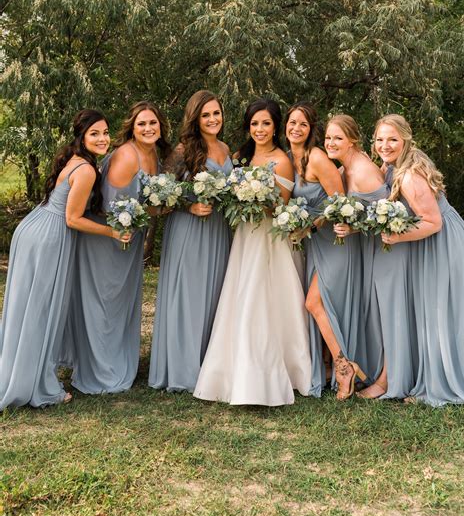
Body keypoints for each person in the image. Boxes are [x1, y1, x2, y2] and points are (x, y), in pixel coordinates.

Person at [0, 109, 124, 410]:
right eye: (94, 133)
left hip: (34, 227)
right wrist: (112, 232)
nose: (102, 138)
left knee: (27, 307)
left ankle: (19, 371)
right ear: (81, 136)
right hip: (49, 237)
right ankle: (36, 385)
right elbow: (73, 219)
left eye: (105, 132)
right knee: (40, 311)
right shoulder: (86, 170)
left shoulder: (74, 160)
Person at [193, 98, 311, 406]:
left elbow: (281, 207)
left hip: (269, 240)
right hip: (245, 236)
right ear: (248, 126)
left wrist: (257, 197)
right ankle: (236, 372)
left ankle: (275, 371)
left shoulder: (281, 160)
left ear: (275, 127)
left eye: (266, 123)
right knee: (241, 296)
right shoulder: (238, 157)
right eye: (255, 123)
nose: (260, 129)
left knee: (264, 299)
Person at [368, 114, 464, 406]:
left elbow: (433, 222)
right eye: (379, 139)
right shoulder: (392, 166)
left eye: (392, 139)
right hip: (432, 242)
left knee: (439, 313)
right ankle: (426, 378)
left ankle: (438, 387)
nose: (384, 145)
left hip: (443, 243)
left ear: (405, 140)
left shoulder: (409, 174)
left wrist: (395, 237)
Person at [66, 101, 170, 394]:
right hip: (106, 239)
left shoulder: (154, 156)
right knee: (106, 301)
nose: (148, 128)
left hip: (128, 239)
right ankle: (100, 371)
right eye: (142, 124)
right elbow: (108, 205)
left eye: (153, 123)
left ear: (161, 125)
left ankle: (113, 360)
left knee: (121, 301)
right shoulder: (127, 156)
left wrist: (168, 205)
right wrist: (128, 223)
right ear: (132, 128)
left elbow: (145, 206)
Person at [148, 90, 232, 392]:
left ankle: (207, 363)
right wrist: (189, 205)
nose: (212, 119)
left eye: (216, 113)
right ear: (195, 118)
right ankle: (183, 369)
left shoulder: (225, 147)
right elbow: (158, 195)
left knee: (212, 295)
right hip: (189, 229)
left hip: (218, 231)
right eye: (206, 114)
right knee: (189, 295)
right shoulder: (183, 149)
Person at [286, 103, 362, 398]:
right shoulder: (289, 159)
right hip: (314, 244)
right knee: (322, 306)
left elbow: (340, 202)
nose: (296, 128)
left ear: (310, 129)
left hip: (334, 241)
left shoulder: (316, 157)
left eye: (303, 124)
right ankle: (333, 365)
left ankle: (346, 368)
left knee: (313, 303)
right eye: (292, 122)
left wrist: (312, 226)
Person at [318, 114, 389, 396]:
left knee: (376, 310)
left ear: (353, 141)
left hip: (379, 251)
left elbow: (386, 212)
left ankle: (360, 371)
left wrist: (354, 228)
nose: (331, 143)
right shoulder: (344, 168)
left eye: (338, 138)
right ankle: (343, 365)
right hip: (356, 249)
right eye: (328, 138)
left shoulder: (362, 170)